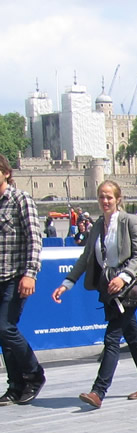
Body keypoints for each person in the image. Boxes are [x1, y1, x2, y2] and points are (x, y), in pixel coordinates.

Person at [52, 180, 137, 409]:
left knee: (112, 338)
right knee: (133, 337)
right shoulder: (98, 225)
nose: (105, 201)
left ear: (118, 198)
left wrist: (123, 277)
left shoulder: (130, 221)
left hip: (129, 287)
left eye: (109, 197)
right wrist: (67, 283)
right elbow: (86, 258)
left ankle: (98, 391)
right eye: (101, 197)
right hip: (109, 288)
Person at [0, 153, 46, 405]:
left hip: (14, 276)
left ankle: (34, 373)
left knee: (5, 327)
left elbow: (34, 238)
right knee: (4, 334)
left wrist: (30, 274)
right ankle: (16, 385)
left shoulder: (20, 199)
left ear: (7, 173)